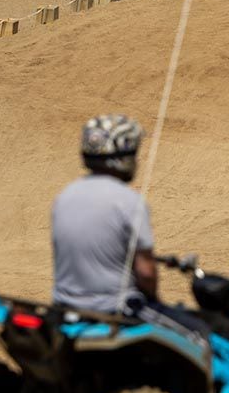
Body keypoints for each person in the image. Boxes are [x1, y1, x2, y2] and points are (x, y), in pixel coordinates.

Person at [51, 114, 207, 338]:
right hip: (115, 309)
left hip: (65, 307)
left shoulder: (64, 196)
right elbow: (145, 272)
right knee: (198, 333)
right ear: (122, 157)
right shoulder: (128, 202)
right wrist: (154, 300)